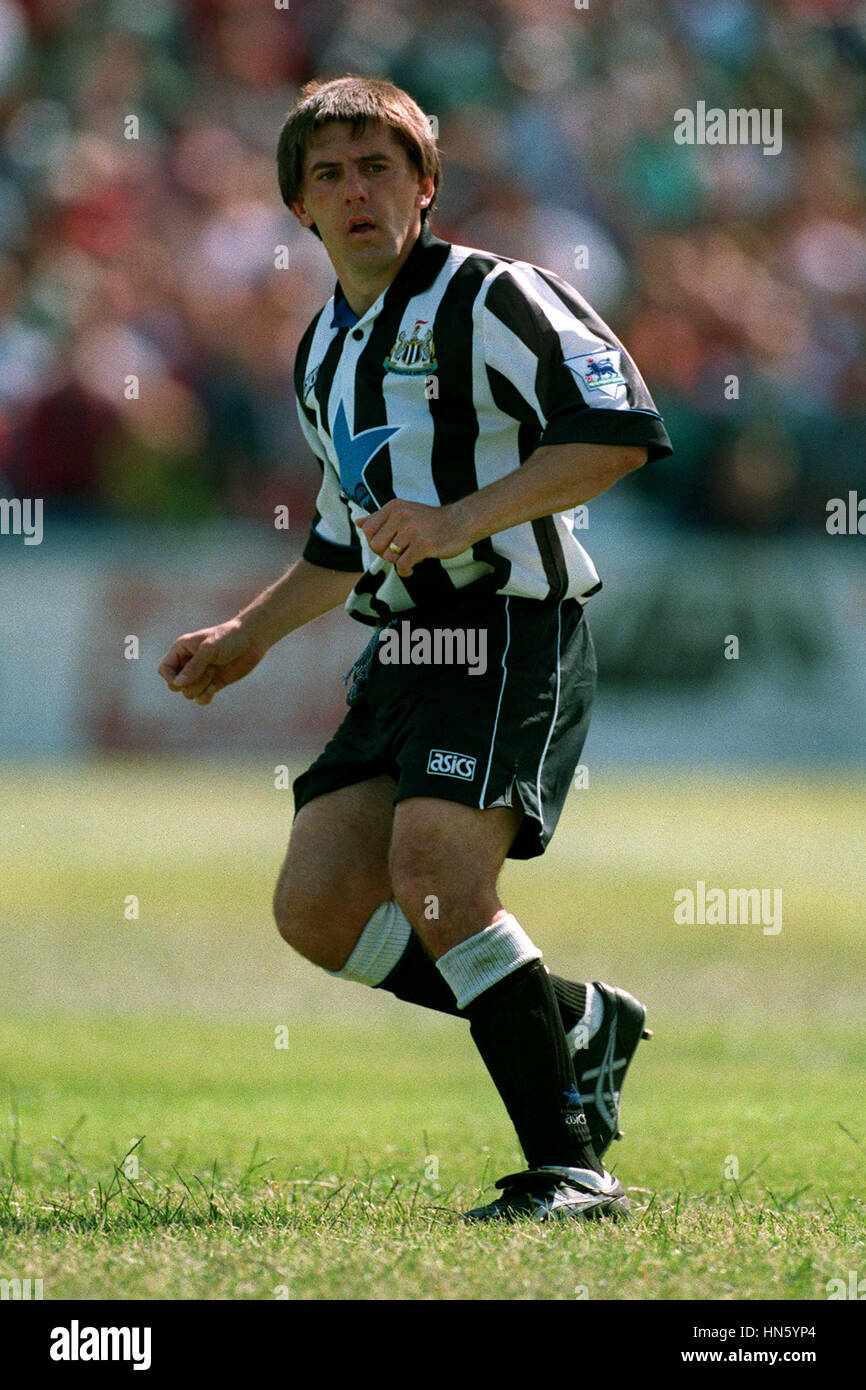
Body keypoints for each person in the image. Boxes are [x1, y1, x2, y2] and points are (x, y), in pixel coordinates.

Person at [158, 75, 672, 1223]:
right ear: (297, 206)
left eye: (377, 167)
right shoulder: (320, 353)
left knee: (439, 878)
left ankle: (571, 1173)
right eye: (329, 174)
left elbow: (619, 432)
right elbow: (344, 543)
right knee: (319, 907)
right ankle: (575, 1021)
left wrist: (457, 519)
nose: (355, 191)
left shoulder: (493, 296)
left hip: (506, 625)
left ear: (424, 186)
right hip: (407, 647)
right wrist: (246, 635)